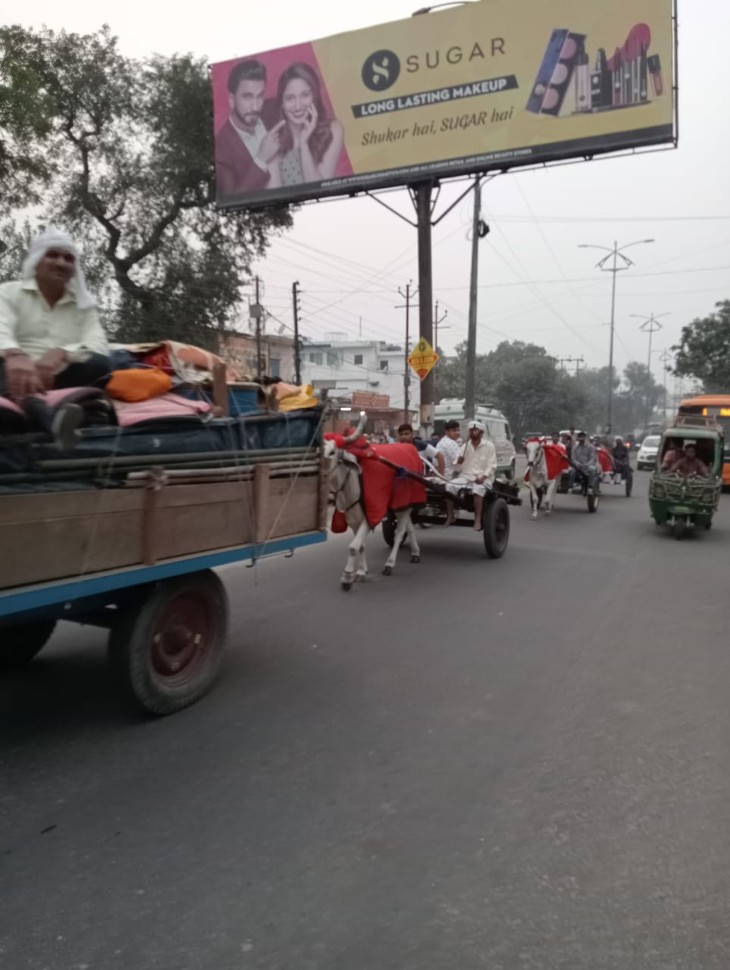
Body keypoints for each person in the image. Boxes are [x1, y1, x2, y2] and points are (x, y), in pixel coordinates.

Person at [214, 60, 285, 198]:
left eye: (260, 96)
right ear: (231, 99)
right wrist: (261, 159)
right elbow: (231, 199)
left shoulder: (272, 110)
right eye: (247, 97)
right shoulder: (221, 147)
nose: (255, 107)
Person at [267, 62, 344, 187]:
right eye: (290, 98)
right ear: (281, 103)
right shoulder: (273, 139)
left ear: (315, 96)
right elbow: (276, 198)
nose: (298, 106)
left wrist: (304, 144)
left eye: (305, 95)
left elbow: (321, 190)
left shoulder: (333, 129)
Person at [447, 420, 497, 532]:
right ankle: (451, 515)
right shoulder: (465, 446)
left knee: (477, 489)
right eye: (471, 430)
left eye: (475, 430)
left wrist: (483, 477)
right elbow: (457, 467)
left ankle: (478, 518)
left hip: (483, 478)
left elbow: (492, 465)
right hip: (466, 477)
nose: (473, 432)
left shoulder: (489, 446)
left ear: (481, 432)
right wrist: (459, 461)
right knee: (449, 486)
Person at [435, 419, 462, 525]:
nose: (457, 433)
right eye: (454, 430)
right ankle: (450, 514)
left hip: (441, 473)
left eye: (458, 430)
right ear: (447, 432)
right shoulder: (450, 443)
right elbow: (457, 463)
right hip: (448, 475)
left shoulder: (442, 442)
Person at [569, 430, 599, 494]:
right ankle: (570, 487)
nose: (581, 439)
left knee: (592, 470)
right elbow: (573, 458)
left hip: (588, 465)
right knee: (572, 471)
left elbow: (592, 458)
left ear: (585, 438)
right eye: (580, 437)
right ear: (578, 438)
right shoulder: (574, 447)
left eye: (582, 437)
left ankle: (590, 487)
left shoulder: (591, 447)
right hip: (577, 466)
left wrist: (586, 464)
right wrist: (578, 464)